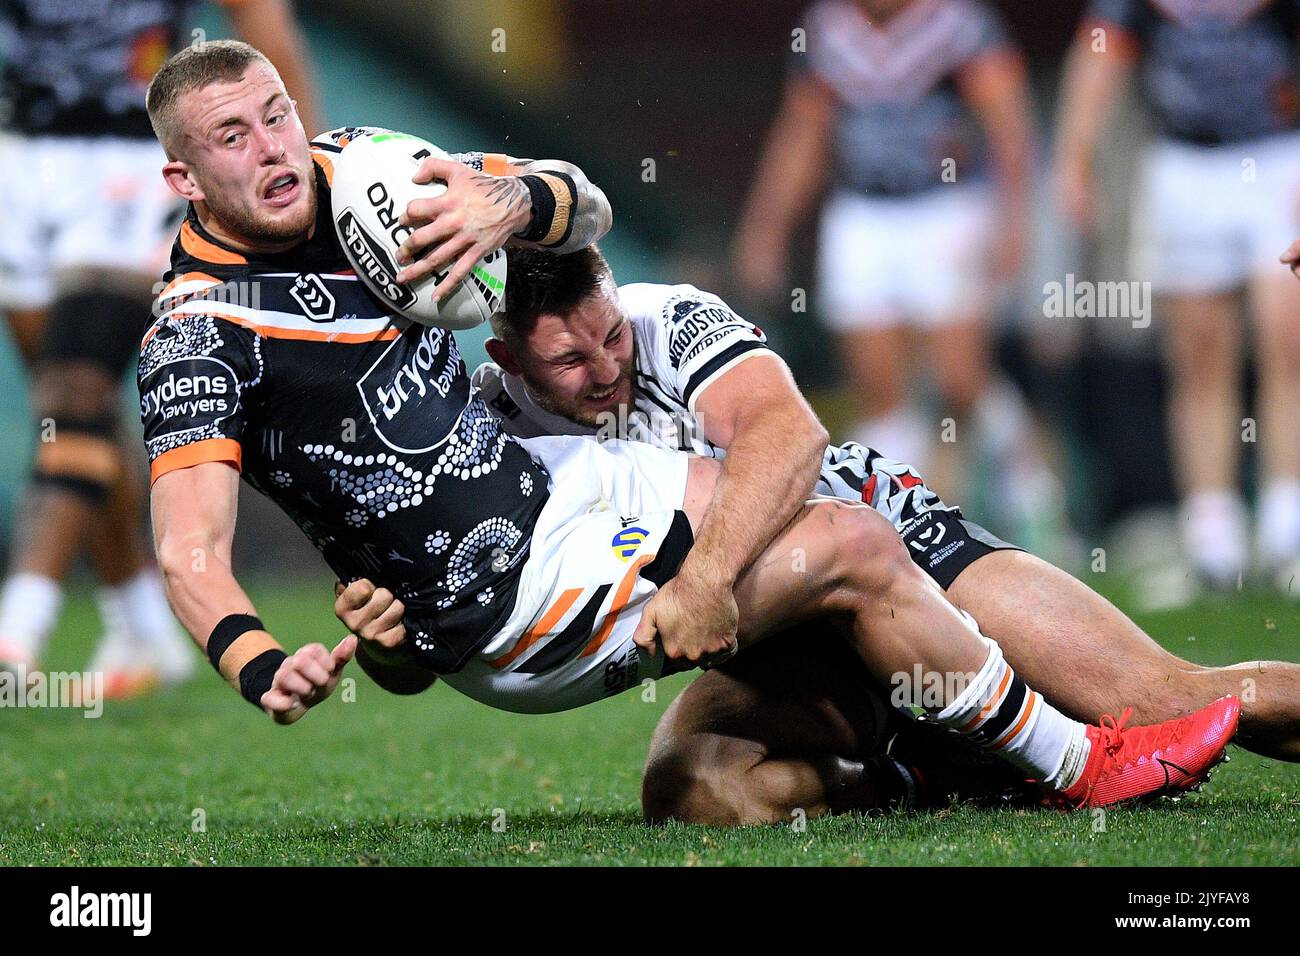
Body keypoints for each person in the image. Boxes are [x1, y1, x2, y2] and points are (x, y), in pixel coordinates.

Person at [142, 40, 1236, 818]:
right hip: (494, 602)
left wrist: (507, 203)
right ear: (184, 175)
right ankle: (1077, 761)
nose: (275, 147)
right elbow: (190, 549)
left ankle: (943, 734)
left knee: (821, 511)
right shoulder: (196, 338)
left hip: (549, 480)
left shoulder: (359, 168)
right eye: (234, 137)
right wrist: (256, 658)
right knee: (848, 549)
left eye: (276, 111)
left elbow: (581, 205)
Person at [340, 244, 1300, 823]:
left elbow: (788, 433)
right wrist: (391, 646)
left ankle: (1020, 738)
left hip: (891, 550)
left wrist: (708, 577)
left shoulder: (668, 315)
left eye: (611, 339)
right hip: (783, 622)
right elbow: (448, 635)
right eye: (568, 359)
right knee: (695, 793)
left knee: (1163, 697)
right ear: (505, 358)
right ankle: (927, 765)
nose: (605, 370)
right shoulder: (475, 439)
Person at [0, 0, 322, 697]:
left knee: (74, 395)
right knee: (72, 418)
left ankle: (16, 632)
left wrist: (315, 171)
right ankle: (142, 624)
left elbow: (261, 20)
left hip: (129, 161)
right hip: (18, 158)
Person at [732, 0, 1058, 545]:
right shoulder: (827, 30)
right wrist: (767, 227)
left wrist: (1016, 225)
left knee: (960, 379)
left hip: (946, 207)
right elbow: (804, 132)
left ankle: (1029, 483)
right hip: (863, 214)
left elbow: (1009, 127)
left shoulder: (958, 25)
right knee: (880, 389)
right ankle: (910, 525)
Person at [1056, 0, 1300, 593]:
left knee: (1286, 341)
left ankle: (1286, 529)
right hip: (1184, 165)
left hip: (1279, 158)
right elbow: (1100, 52)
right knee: (1200, 356)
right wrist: (1075, 157)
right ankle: (1212, 537)